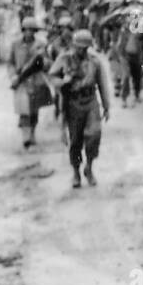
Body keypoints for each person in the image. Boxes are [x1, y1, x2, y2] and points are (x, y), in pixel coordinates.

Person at [48, 28, 112, 188]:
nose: (82, 50)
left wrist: (106, 106)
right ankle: (76, 173)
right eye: (79, 47)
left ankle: (89, 168)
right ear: (74, 45)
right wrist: (63, 82)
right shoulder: (64, 59)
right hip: (73, 102)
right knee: (75, 140)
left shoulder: (95, 61)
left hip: (90, 101)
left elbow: (102, 84)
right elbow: (52, 76)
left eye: (85, 47)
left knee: (94, 135)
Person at [8, 17, 51, 149]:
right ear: (23, 30)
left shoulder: (41, 44)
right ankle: (26, 136)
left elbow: (48, 62)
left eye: (32, 30)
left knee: (34, 109)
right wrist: (13, 76)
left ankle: (32, 132)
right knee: (23, 109)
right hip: (21, 81)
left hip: (36, 80)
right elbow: (10, 62)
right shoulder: (15, 44)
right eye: (27, 30)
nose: (29, 33)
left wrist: (43, 62)